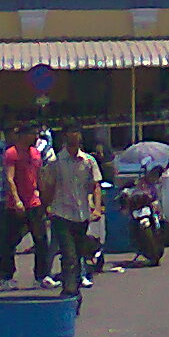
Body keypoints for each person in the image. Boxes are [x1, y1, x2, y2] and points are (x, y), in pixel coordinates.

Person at [44, 125, 103, 307]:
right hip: (61, 214)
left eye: (76, 137)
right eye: (71, 137)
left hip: (81, 215)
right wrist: (47, 207)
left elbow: (95, 186)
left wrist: (97, 208)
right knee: (68, 255)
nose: (74, 140)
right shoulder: (56, 162)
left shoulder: (88, 161)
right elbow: (49, 186)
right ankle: (69, 290)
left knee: (78, 255)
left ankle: (74, 286)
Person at [0, 124, 50, 289]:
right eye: (32, 134)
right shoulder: (12, 153)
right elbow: (9, 178)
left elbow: (39, 176)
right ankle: (5, 275)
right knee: (9, 242)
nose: (35, 137)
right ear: (24, 135)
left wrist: (44, 199)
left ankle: (42, 276)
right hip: (15, 204)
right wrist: (17, 200)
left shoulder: (35, 154)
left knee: (41, 240)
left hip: (34, 202)